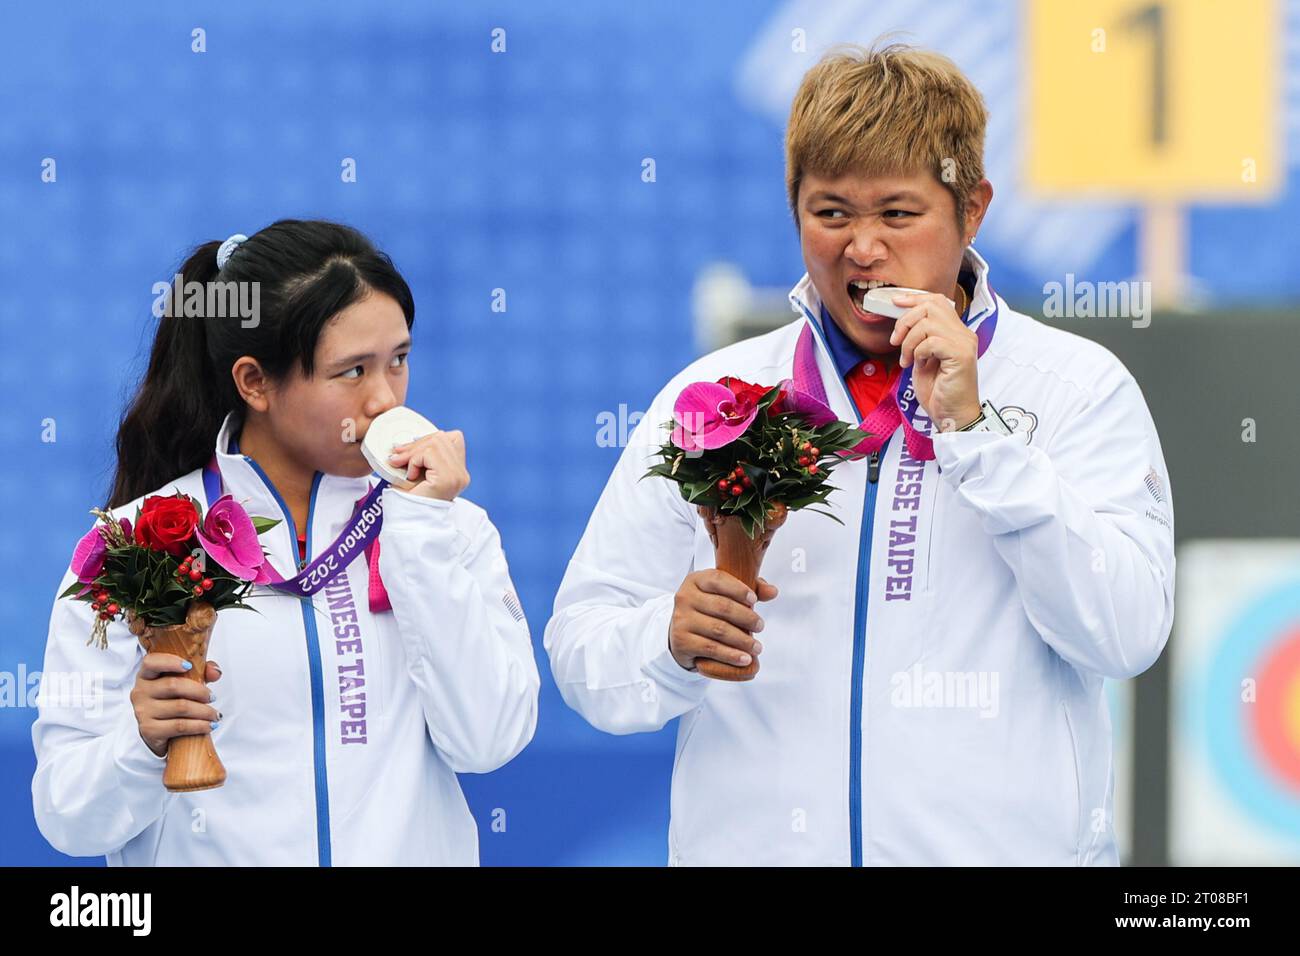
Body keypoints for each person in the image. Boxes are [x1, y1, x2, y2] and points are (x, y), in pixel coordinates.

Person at [544, 43, 1175, 865]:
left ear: (972, 208)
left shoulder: (1077, 387)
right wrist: (663, 645)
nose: (864, 249)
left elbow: (1125, 636)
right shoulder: (717, 394)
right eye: (831, 212)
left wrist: (980, 439)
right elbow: (581, 651)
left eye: (899, 214)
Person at [32, 219, 539, 865]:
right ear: (255, 383)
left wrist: (423, 539)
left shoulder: (448, 529)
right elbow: (68, 819)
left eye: (400, 360)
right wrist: (139, 746)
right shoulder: (136, 545)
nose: (385, 399)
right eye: (352, 371)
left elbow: (489, 741)